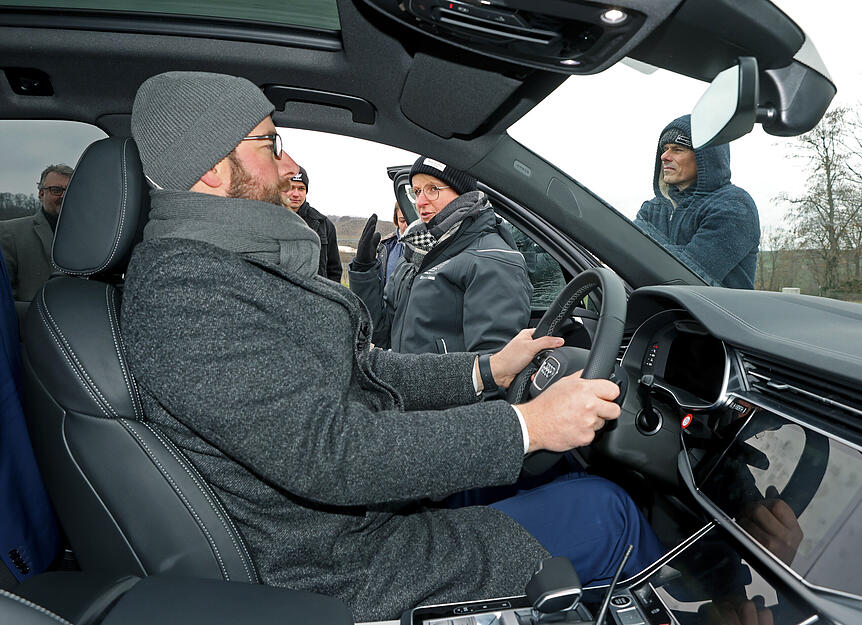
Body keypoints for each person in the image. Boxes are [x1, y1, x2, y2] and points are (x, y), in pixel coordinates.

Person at [122, 71, 662, 622]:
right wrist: (529, 426)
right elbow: (330, 453)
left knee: (559, 476)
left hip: (353, 517)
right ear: (213, 168)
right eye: (271, 143)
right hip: (340, 563)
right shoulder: (186, 294)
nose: (289, 165)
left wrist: (489, 370)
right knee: (606, 512)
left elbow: (362, 368)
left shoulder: (220, 271)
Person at [348, 157, 531, 355]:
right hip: (403, 374)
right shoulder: (415, 252)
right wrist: (364, 272)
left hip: (430, 377)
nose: (420, 201)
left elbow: (495, 364)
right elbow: (382, 334)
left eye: (433, 189)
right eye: (417, 191)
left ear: (461, 192)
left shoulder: (491, 260)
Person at [634, 115, 760, 289]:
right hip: (652, 307)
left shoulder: (734, 206)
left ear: (706, 158)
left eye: (677, 149)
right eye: (665, 149)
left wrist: (641, 251)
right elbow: (625, 253)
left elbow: (687, 274)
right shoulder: (652, 209)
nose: (664, 156)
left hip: (713, 308)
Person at [0, 164, 73, 302]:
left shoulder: (94, 235)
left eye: (70, 189)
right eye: (56, 190)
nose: (64, 196)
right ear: (41, 194)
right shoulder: (10, 232)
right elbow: (4, 298)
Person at [281, 165, 342, 282]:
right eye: (290, 187)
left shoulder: (323, 224)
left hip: (315, 291)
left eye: (301, 188)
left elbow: (334, 270)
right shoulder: (270, 220)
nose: (296, 194)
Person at [377, 202, 406, 283]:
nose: (407, 225)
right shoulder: (386, 245)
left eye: (410, 220)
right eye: (402, 221)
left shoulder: (429, 244)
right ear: (396, 220)